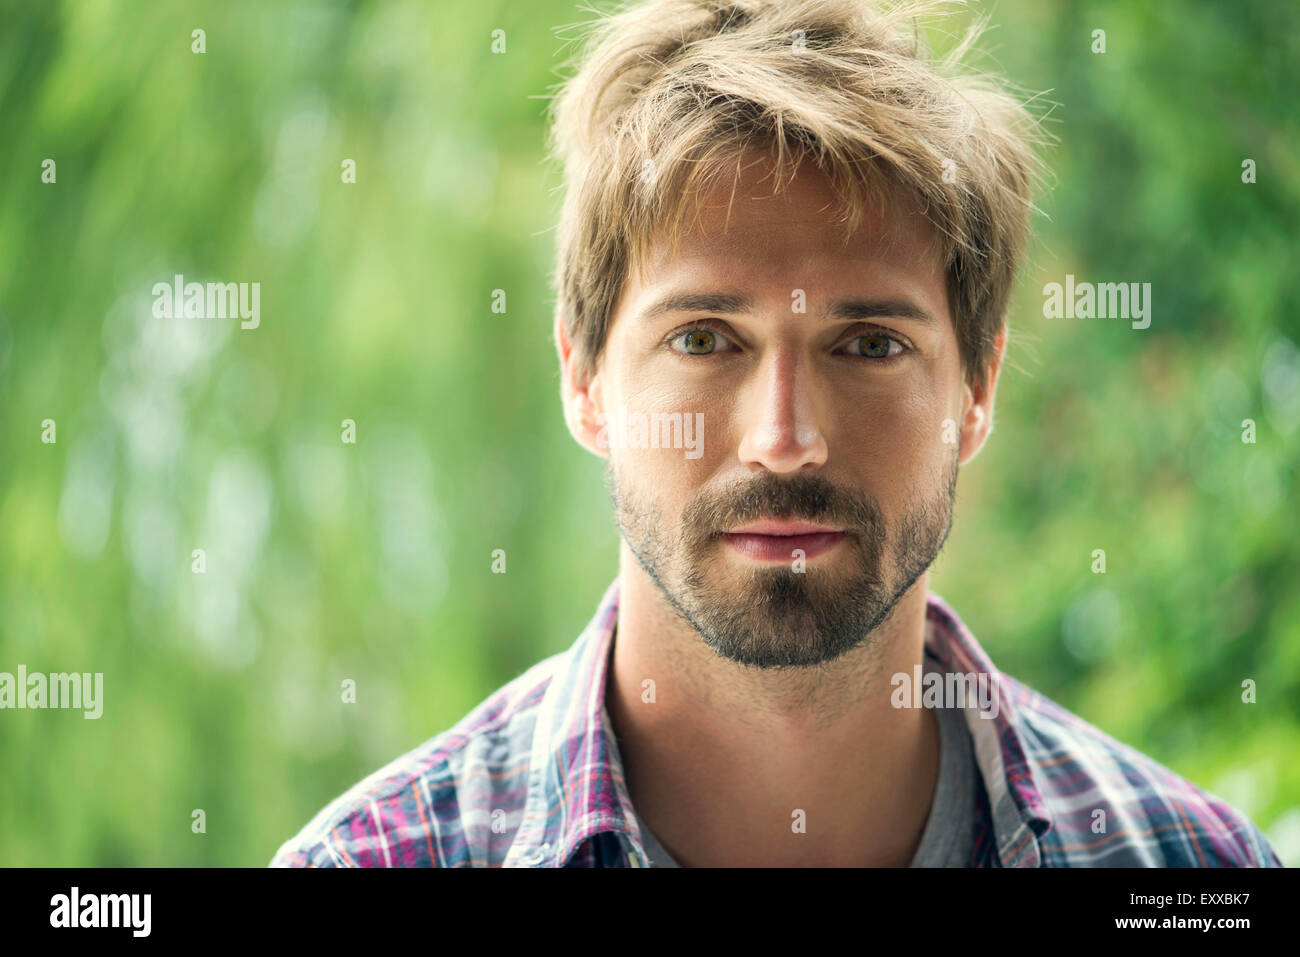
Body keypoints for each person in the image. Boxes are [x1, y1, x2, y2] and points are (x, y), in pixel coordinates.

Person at [271, 0, 1282, 867]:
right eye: (705, 339)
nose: (784, 438)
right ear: (583, 378)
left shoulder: (1187, 867)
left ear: (976, 386)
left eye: (869, 344)